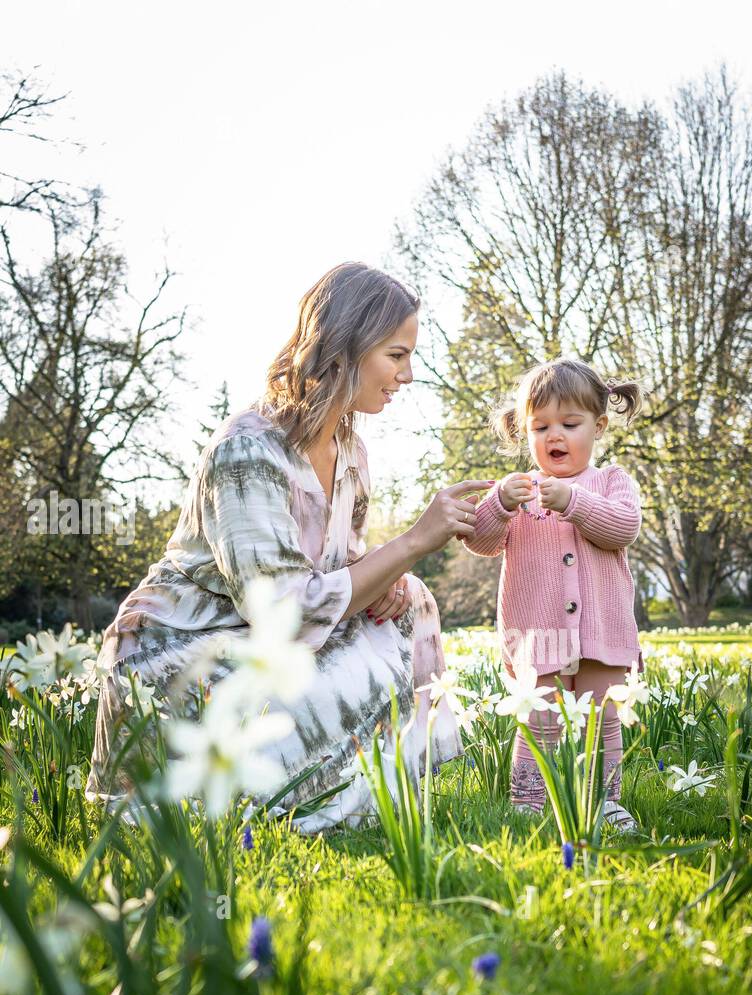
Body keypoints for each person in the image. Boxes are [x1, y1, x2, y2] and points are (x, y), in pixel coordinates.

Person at [85, 262, 494, 832]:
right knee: (363, 669)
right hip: (191, 652)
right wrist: (410, 543)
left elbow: (337, 568)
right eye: (396, 356)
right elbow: (281, 612)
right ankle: (293, 799)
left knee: (412, 604)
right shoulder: (249, 452)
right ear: (346, 347)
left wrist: (387, 582)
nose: (407, 374)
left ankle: (373, 785)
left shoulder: (351, 450)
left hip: (277, 643)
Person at [461, 357, 645, 831]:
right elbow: (481, 542)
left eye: (570, 423)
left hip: (601, 631)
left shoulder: (611, 482)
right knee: (540, 720)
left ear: (599, 426)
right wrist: (499, 504)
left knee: (601, 721)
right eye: (540, 427)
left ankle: (604, 802)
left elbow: (623, 529)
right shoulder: (520, 491)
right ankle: (528, 804)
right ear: (525, 433)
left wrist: (574, 502)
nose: (554, 436)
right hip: (538, 633)